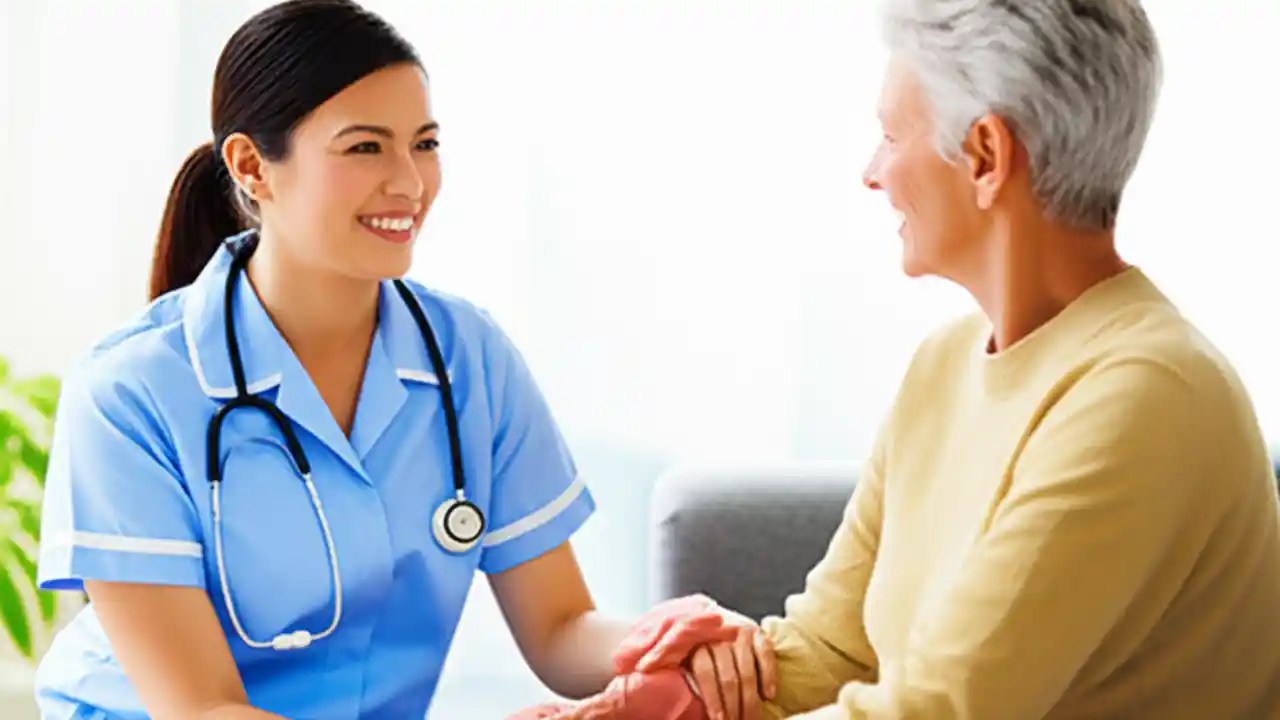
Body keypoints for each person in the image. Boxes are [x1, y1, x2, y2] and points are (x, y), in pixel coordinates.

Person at [32, 2, 770, 718]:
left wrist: (673, 640)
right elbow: (202, 709)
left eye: (424, 143)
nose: (410, 184)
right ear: (253, 166)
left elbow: (559, 630)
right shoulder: (130, 391)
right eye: (365, 147)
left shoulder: (468, 358)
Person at [657, 1, 1280, 718]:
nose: (873, 172)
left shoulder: (1150, 395)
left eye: (891, 136)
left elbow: (939, 710)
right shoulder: (943, 365)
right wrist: (697, 693)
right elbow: (835, 651)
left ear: (985, 155)